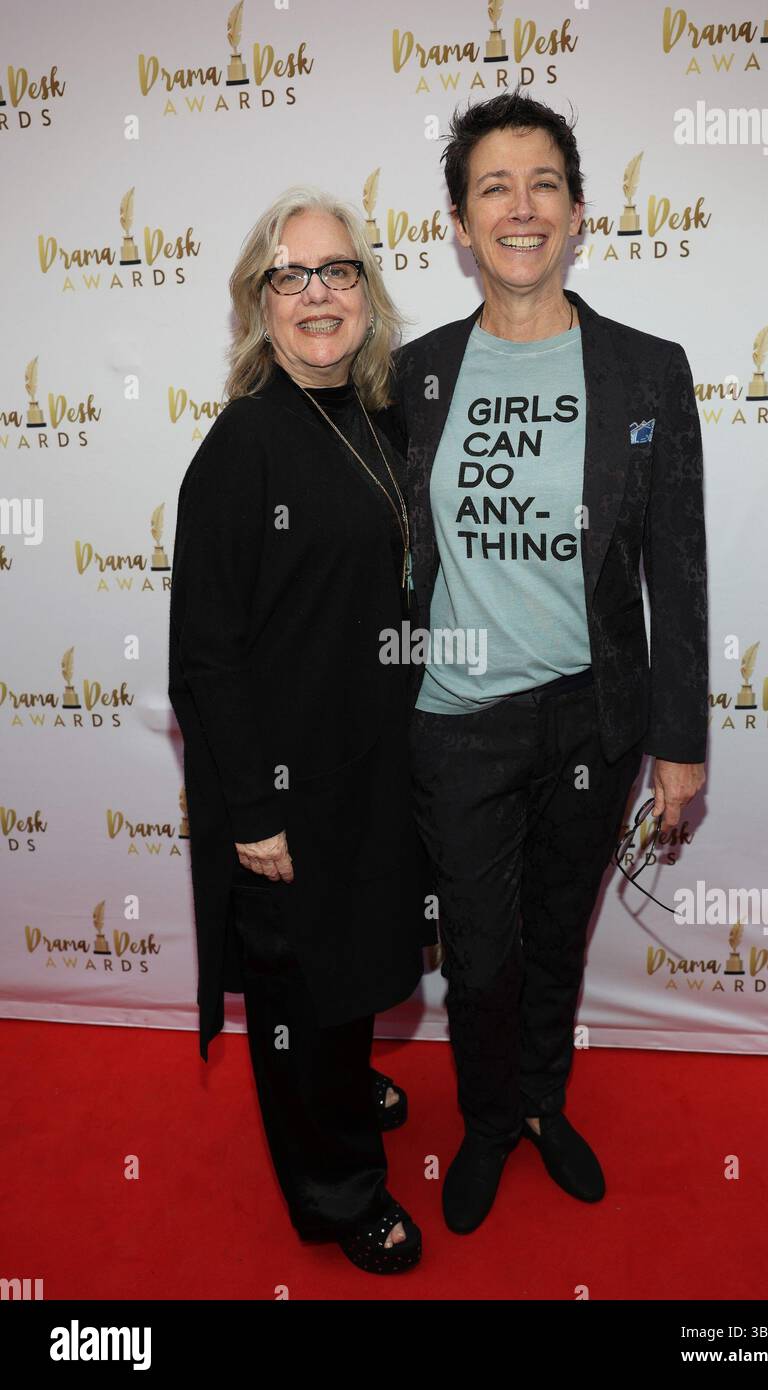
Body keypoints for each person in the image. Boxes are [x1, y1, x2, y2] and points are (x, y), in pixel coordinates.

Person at [389, 92, 708, 1234]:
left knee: (555, 929)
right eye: (492, 187)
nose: (519, 208)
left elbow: (676, 569)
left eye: (541, 185)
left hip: (590, 717)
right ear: (459, 227)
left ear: (576, 213)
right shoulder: (413, 377)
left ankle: (538, 1101)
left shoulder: (644, 372)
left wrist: (677, 740)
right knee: (478, 947)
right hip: (453, 719)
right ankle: (482, 1120)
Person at [167, 185, 431, 1273]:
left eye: (336, 271)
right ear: (257, 304)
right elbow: (203, 658)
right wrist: (257, 808)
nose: (315, 293)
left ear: (365, 293)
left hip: (369, 763)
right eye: (289, 275)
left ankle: (341, 1076)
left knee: (355, 959)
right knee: (302, 985)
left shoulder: (375, 418)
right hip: (287, 785)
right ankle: (335, 1191)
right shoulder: (241, 450)